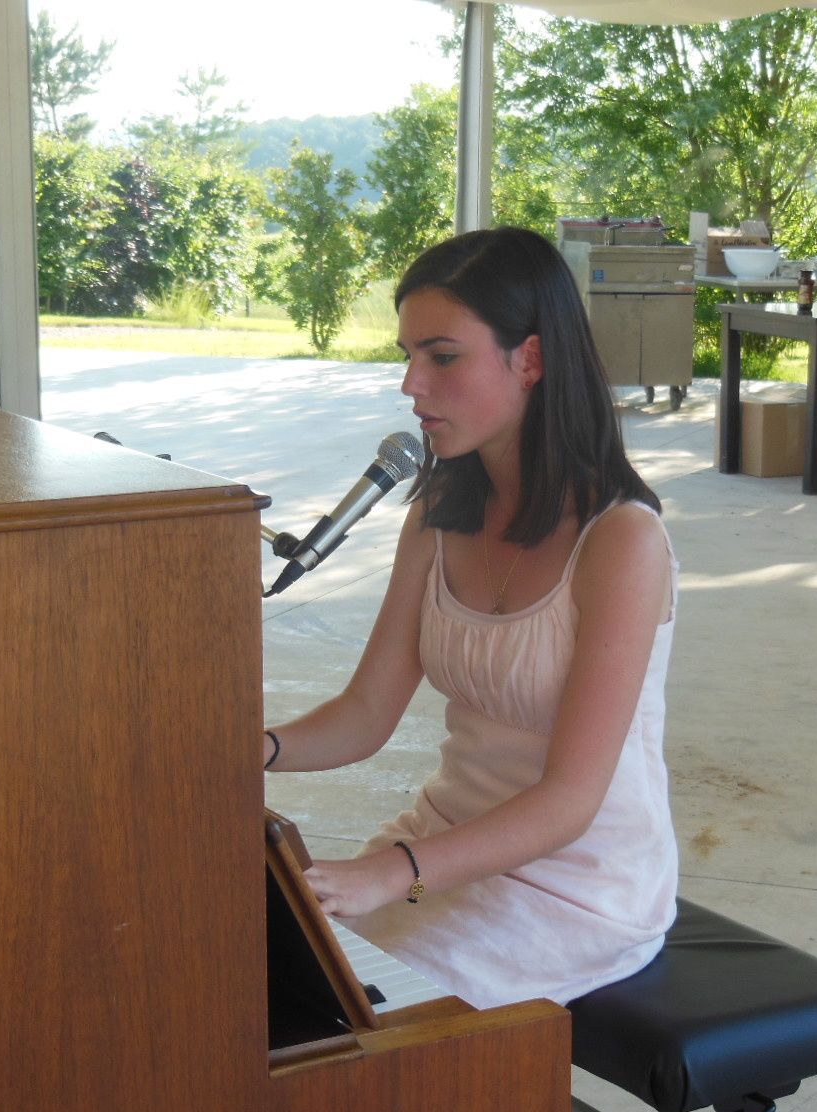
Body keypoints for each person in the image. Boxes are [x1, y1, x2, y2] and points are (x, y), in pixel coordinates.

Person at [262, 226, 679, 1010]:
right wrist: (251, 750)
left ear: (531, 359)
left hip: (577, 887)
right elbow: (364, 714)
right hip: (444, 842)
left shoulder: (622, 541)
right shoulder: (439, 512)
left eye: (442, 356)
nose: (411, 384)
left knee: (361, 1017)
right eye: (408, 354)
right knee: (280, 987)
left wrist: (390, 873)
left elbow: (569, 802)